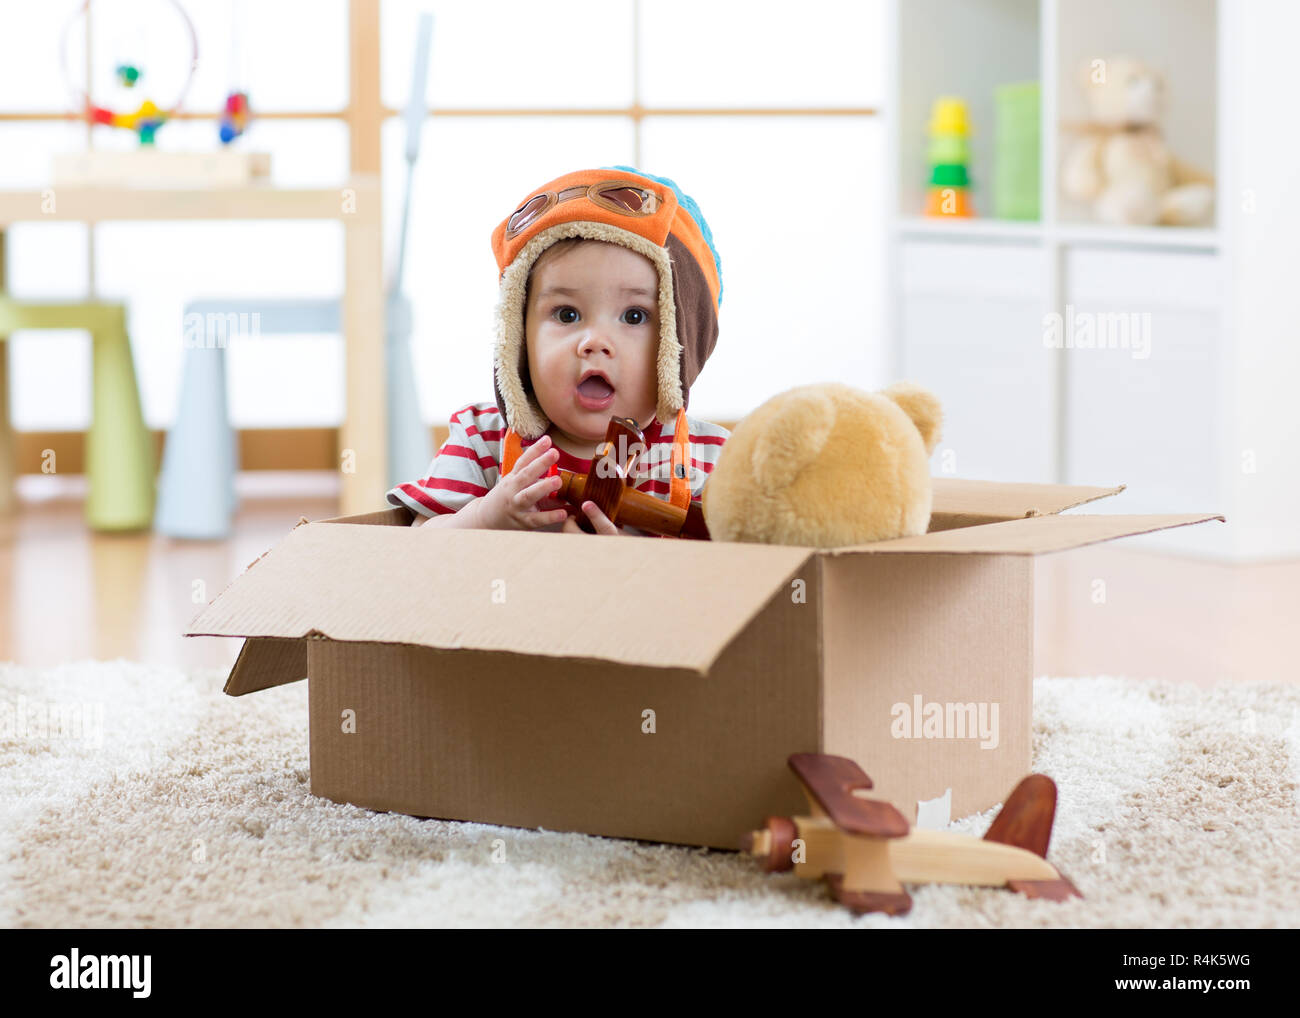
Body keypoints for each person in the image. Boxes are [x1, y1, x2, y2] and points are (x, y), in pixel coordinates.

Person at [386, 166, 729, 535]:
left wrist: (631, 570)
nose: (594, 342)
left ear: (680, 347)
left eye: (634, 316)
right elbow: (418, 548)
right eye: (567, 314)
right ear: (519, 338)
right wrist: (487, 518)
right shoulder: (481, 443)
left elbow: (745, 573)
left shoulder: (712, 461)